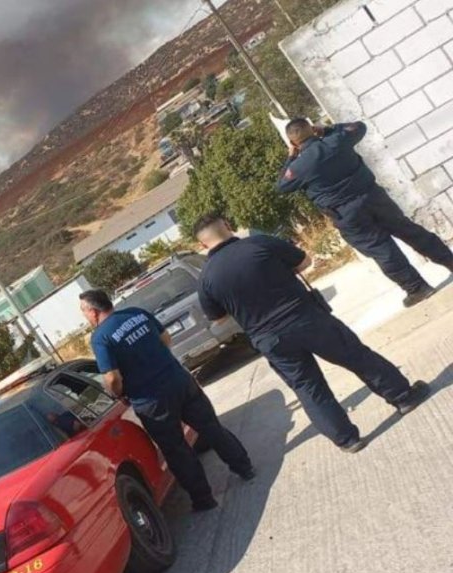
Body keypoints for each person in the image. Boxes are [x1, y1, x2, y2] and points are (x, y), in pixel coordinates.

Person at [192, 214, 430, 453]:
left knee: (308, 388)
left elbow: (218, 318)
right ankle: (403, 397)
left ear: (203, 244)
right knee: (356, 357)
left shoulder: (206, 279)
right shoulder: (260, 243)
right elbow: (304, 262)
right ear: (228, 226)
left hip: (270, 339)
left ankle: (347, 440)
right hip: (306, 318)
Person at [80, 288, 254, 512]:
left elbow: (112, 378)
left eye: (83, 311)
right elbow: (166, 339)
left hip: (152, 400)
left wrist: (118, 392)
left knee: (177, 450)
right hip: (179, 381)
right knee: (212, 428)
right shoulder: (137, 313)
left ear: (93, 311)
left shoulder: (101, 337)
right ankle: (244, 467)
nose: (85, 316)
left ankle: (204, 499)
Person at [276, 118, 453, 307]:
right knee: (410, 231)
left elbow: (281, 185)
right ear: (312, 129)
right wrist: (327, 129)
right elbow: (359, 127)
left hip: (346, 214)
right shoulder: (337, 140)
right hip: (374, 197)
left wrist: (291, 157)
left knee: (382, 250)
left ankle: (417, 288)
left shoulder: (299, 167)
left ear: (293, 142)